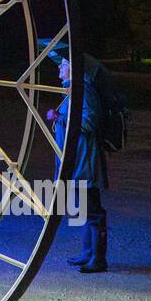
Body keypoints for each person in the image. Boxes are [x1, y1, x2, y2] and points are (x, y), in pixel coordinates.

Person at [46, 46, 110, 275]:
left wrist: (60, 118)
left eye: (62, 65)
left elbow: (90, 122)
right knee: (84, 210)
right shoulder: (73, 91)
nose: (59, 70)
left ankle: (98, 258)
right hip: (76, 161)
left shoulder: (84, 90)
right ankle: (88, 253)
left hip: (85, 161)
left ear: (73, 68)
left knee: (92, 210)